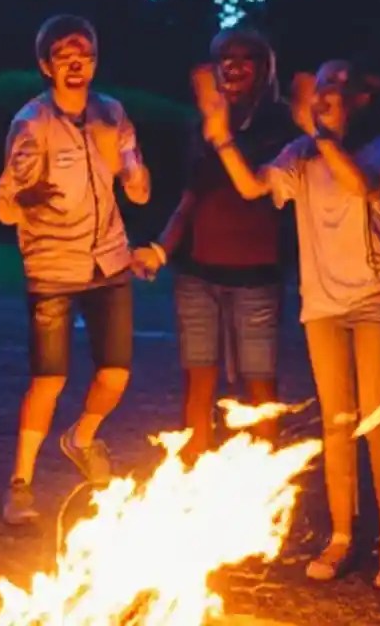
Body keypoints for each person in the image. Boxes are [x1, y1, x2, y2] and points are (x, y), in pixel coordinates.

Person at [204, 59, 380, 589]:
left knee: (378, 422)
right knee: (337, 424)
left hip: (377, 300)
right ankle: (342, 536)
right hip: (322, 304)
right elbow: (253, 189)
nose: (323, 93)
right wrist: (223, 138)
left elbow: (363, 185)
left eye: (337, 85)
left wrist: (317, 133)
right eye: (320, 85)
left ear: (361, 98)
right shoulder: (300, 154)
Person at [0, 14, 153, 525]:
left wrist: (125, 162)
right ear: (46, 65)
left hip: (108, 258)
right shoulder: (30, 122)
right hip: (52, 264)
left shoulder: (112, 113)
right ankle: (20, 483)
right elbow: (7, 203)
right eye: (63, 53)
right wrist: (29, 194)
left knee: (115, 373)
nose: (75, 60)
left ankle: (81, 436)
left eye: (83, 51)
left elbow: (140, 189)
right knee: (49, 378)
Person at [146, 27, 297, 457]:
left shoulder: (281, 124)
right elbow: (191, 195)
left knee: (259, 381)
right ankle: (191, 478)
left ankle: (262, 482)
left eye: (245, 57)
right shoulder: (200, 127)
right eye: (224, 58)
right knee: (198, 377)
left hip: (257, 274)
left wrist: (223, 133)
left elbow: (257, 185)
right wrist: (161, 249)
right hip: (198, 273)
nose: (233, 66)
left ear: (265, 68)